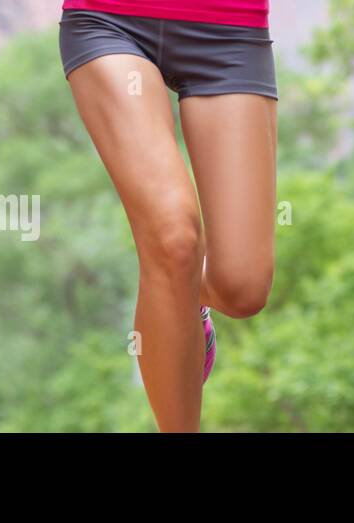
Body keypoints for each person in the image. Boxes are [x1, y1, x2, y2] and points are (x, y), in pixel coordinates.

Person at [59, 0, 278, 432]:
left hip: (230, 27)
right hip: (110, 18)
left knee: (242, 289)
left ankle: (183, 294)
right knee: (173, 237)